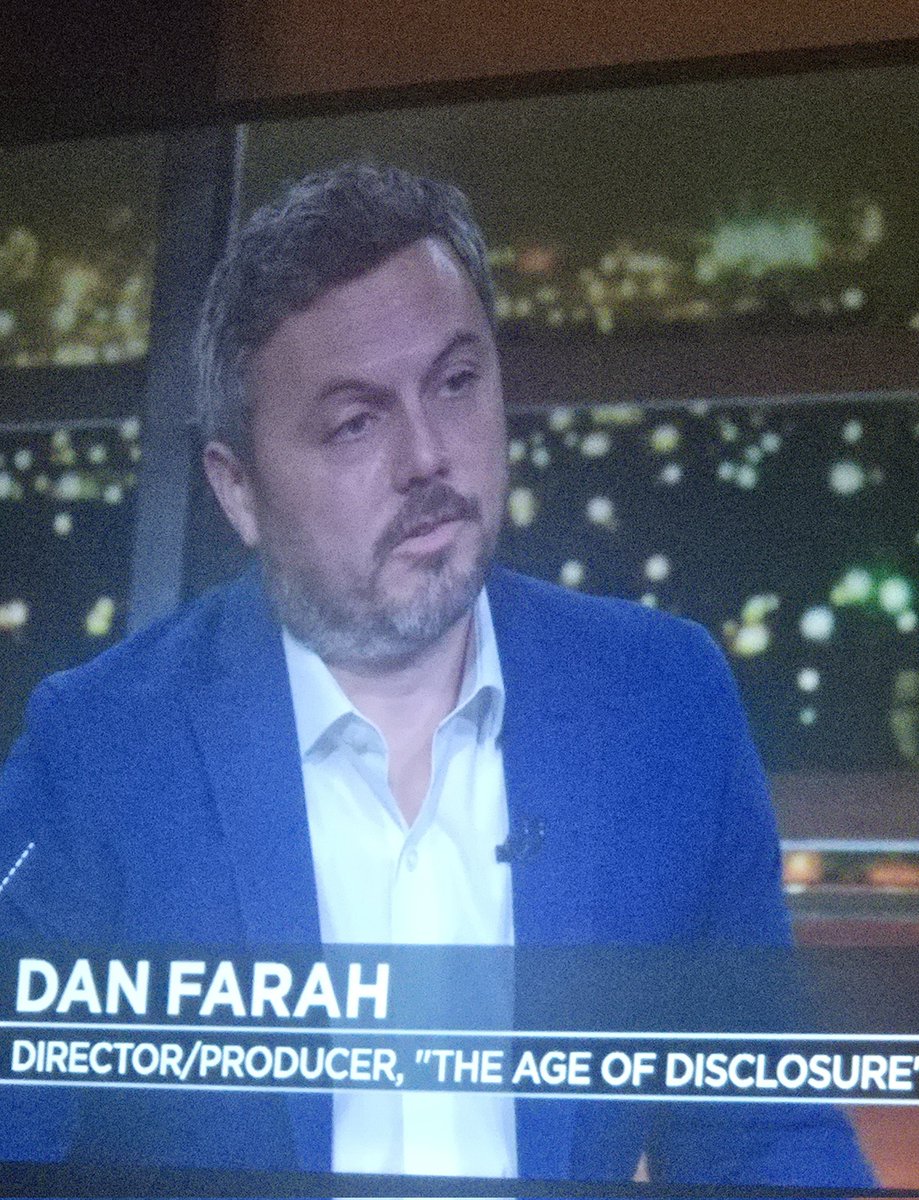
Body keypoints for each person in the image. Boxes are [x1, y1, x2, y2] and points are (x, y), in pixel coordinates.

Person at [0, 163, 875, 1187]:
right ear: (238, 491)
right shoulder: (98, 753)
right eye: (355, 422)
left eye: (456, 383)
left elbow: (762, 1135)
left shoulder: (662, 704)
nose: (427, 456)